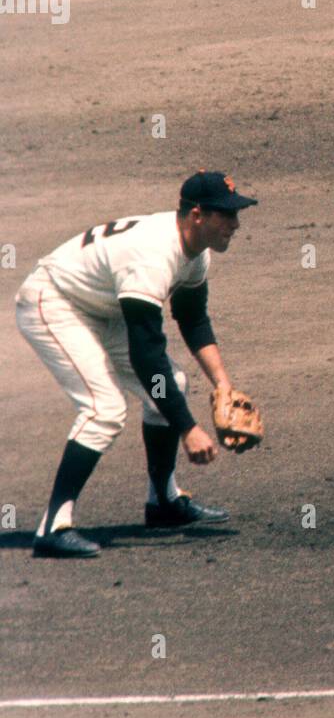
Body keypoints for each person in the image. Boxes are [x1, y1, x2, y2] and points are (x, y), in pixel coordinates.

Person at [14, 171, 258, 558]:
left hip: (100, 306)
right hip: (54, 302)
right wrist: (188, 428)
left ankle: (163, 503)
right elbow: (147, 358)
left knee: (171, 384)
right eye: (226, 215)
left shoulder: (196, 253)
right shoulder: (153, 256)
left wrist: (222, 385)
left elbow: (193, 320)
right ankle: (53, 526)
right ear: (197, 215)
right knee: (103, 408)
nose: (236, 224)